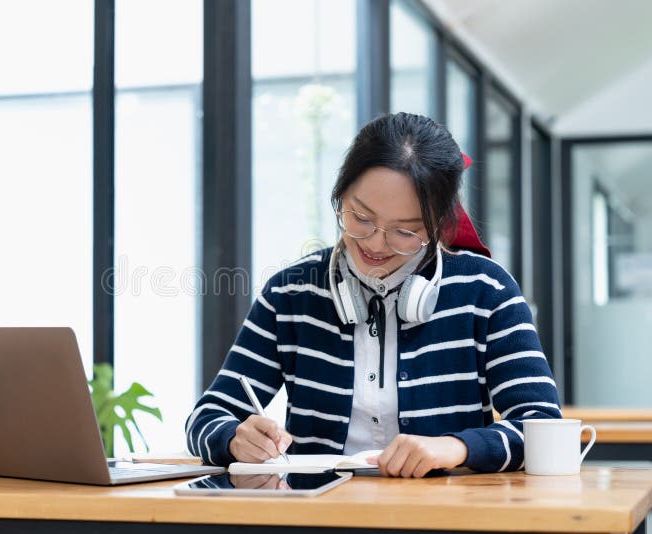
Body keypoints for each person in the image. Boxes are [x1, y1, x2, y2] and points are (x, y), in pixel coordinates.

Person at [185, 112, 560, 477]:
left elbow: (545, 430)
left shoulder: (486, 291)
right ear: (339, 196)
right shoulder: (290, 293)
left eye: (406, 231)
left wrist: (456, 447)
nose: (376, 244)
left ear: (439, 224)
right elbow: (206, 417)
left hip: (447, 517)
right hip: (320, 518)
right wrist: (234, 438)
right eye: (360, 218)